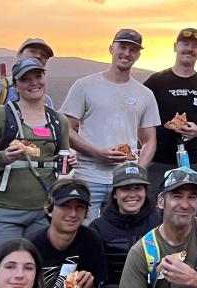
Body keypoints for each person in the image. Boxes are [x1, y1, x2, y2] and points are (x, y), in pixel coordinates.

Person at [0, 38, 55, 266]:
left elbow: (50, 143)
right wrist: (15, 135)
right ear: (18, 56)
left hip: (28, 182)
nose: (37, 58)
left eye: (42, 58)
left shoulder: (48, 102)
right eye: (32, 53)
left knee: (28, 251)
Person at [60, 29, 161, 219]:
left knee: (120, 238)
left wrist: (139, 170)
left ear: (138, 55)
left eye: (133, 49)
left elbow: (149, 139)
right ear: (111, 48)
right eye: (122, 47)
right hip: (88, 176)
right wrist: (96, 153)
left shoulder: (144, 94)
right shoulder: (85, 86)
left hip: (124, 180)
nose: (127, 53)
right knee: (84, 235)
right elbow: (65, 128)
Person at [27, 179, 119, 288]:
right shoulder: (31, 247)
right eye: (65, 206)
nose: (73, 213)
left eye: (80, 207)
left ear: (86, 213)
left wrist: (90, 285)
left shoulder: (90, 239)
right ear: (50, 209)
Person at [143, 27, 197, 190]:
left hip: (192, 162)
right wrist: (145, 143)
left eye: (195, 46)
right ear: (175, 47)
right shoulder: (156, 81)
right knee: (155, 211)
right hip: (157, 161)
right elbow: (138, 116)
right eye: (185, 44)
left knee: (190, 211)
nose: (190, 49)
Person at [89, 163, 162, 286]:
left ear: (145, 192)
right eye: (125, 189)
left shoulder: (160, 221)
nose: (132, 194)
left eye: (138, 188)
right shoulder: (97, 228)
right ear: (114, 194)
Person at [0, 38, 55, 135]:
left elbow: (50, 133)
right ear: (19, 56)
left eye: (43, 55)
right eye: (33, 51)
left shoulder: (46, 101)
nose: (38, 56)